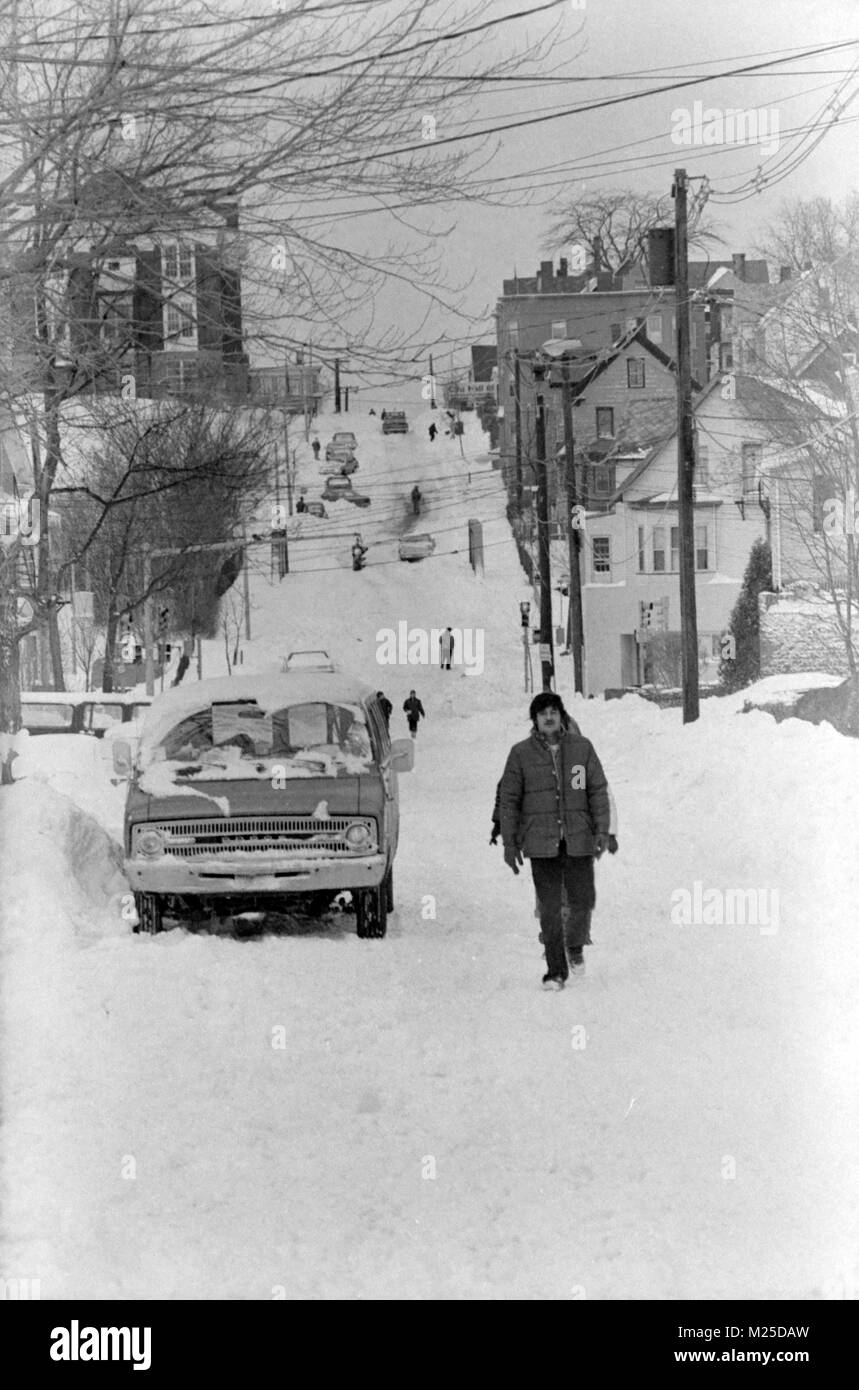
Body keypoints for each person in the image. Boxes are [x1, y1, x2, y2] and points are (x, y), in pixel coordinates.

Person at [499, 691, 614, 990]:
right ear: (535, 720)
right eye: (542, 713)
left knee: (582, 900)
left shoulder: (582, 749)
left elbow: (597, 790)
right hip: (541, 842)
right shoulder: (520, 754)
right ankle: (555, 971)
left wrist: (602, 829)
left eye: (553, 711)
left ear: (562, 716)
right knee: (549, 908)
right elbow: (508, 800)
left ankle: (574, 945)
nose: (548, 717)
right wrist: (510, 844)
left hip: (578, 838)